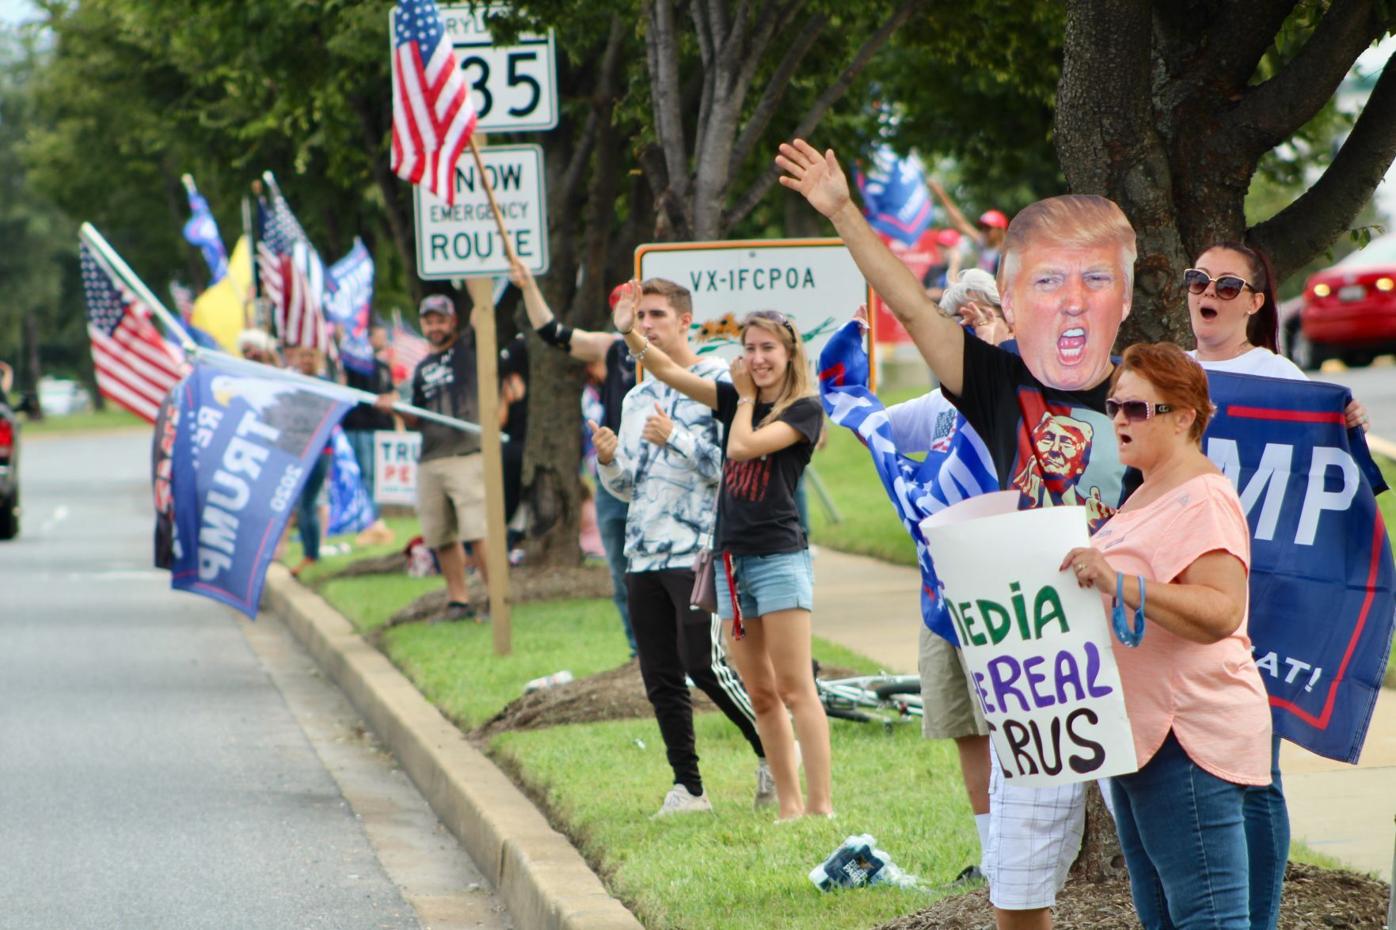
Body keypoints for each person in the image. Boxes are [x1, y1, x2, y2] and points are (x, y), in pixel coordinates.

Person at [777, 137, 1134, 927]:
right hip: (1040, 676)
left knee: (1169, 879)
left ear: (1125, 299)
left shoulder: (1152, 386)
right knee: (1018, 885)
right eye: (1048, 282)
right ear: (1015, 298)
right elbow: (909, 304)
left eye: (1094, 280)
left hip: (1139, 665)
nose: (1072, 300)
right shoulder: (997, 384)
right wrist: (842, 212)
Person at [1183, 240, 1366, 930]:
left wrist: (1345, 423)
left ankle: (1256, 920)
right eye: (1199, 279)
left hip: (1262, 609)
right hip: (1176, 601)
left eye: (1229, 286)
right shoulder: (1169, 373)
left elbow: (1326, 482)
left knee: (1257, 775)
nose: (1210, 292)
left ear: (1256, 302)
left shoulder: (1283, 378)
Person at [1062, 342, 1271, 930]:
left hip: (1187, 736)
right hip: (1144, 735)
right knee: (1165, 917)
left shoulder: (1201, 497)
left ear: (1184, 417)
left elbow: (1220, 610)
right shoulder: (1150, 487)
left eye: (1137, 410)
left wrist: (1118, 581)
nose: (1120, 421)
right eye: (1114, 407)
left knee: (1207, 916)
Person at [609, 285, 832, 821]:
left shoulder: (802, 410)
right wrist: (629, 334)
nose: (755, 359)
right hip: (730, 561)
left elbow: (740, 448)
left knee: (795, 687)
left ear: (788, 355)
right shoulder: (737, 398)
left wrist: (743, 396)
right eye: (748, 348)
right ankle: (789, 806)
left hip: (778, 556)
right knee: (760, 693)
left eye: (767, 349)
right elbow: (667, 372)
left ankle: (821, 807)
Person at [588, 277, 770, 817]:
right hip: (643, 552)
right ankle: (688, 788)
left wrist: (678, 437)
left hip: (697, 550)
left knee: (705, 665)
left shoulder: (716, 381)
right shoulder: (637, 395)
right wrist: (607, 460)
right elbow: (628, 486)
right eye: (640, 317)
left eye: (657, 316)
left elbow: (731, 466)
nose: (646, 326)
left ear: (686, 320)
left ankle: (775, 752)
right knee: (660, 675)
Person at [880, 268, 1008, 879]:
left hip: (1003, 592)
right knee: (965, 726)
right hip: (940, 592)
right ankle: (989, 856)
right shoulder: (932, 407)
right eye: (956, 320)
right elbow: (873, 429)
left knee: (1009, 723)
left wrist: (996, 344)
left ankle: (1021, 849)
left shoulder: (1019, 385)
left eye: (980, 315)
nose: (967, 328)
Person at [510, 258, 637, 655]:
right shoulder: (614, 349)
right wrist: (528, 286)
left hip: (664, 480)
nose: (629, 317)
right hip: (615, 478)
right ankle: (639, 655)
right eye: (622, 310)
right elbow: (552, 332)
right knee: (621, 574)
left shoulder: (677, 356)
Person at [374, 293, 487, 623]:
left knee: (477, 532)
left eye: (440, 319)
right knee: (439, 535)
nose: (435, 326)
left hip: (466, 454)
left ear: (452, 321)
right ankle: (458, 601)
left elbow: (483, 310)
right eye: (429, 320)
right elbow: (416, 418)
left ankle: (497, 599)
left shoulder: (467, 351)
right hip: (430, 458)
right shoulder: (421, 369)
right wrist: (395, 406)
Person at [341, 322, 396, 543]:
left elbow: (389, 392)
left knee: (373, 477)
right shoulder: (354, 365)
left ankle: (372, 520)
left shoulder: (383, 366)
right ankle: (366, 520)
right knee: (362, 475)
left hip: (378, 428)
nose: (383, 340)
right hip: (358, 426)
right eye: (379, 336)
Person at [288, 345, 333, 577]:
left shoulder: (324, 384)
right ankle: (309, 552)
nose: (306, 360)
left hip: (319, 452)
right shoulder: (293, 383)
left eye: (310, 356)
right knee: (301, 505)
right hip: (299, 451)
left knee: (308, 504)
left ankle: (312, 555)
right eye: (302, 355)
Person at [928, 177, 1010, 274]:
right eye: (982, 227)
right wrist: (940, 193)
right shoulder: (984, 244)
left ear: (1000, 230)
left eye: (988, 228)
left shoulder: (1009, 252)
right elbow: (960, 223)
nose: (984, 231)